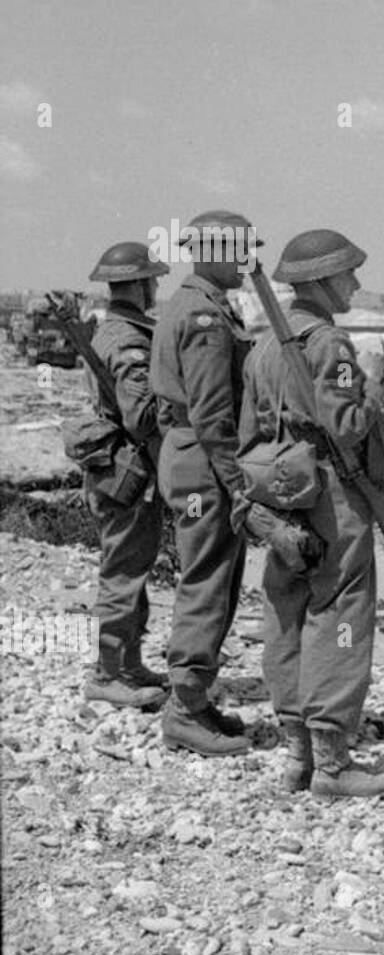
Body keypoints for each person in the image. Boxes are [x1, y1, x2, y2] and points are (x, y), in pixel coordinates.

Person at [240, 229, 384, 798]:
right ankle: (333, 765)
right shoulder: (330, 344)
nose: (355, 282)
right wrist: (378, 390)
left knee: (286, 616)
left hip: (282, 495)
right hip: (333, 498)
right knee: (338, 618)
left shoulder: (262, 346)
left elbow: (247, 438)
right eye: (347, 273)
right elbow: (347, 425)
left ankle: (296, 757)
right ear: (321, 280)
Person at [150, 211, 260, 756]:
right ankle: (185, 709)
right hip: (205, 463)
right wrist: (239, 483)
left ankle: (195, 700)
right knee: (207, 582)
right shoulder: (204, 317)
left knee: (213, 577)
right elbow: (214, 412)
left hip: (194, 456)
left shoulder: (201, 305)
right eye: (240, 251)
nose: (247, 263)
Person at [81, 243, 171, 709]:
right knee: (122, 574)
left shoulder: (110, 330)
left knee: (131, 570)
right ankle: (108, 673)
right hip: (128, 473)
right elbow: (142, 417)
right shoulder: (130, 339)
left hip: (118, 470)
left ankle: (129, 664)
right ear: (138, 284)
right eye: (152, 280)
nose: (157, 287)